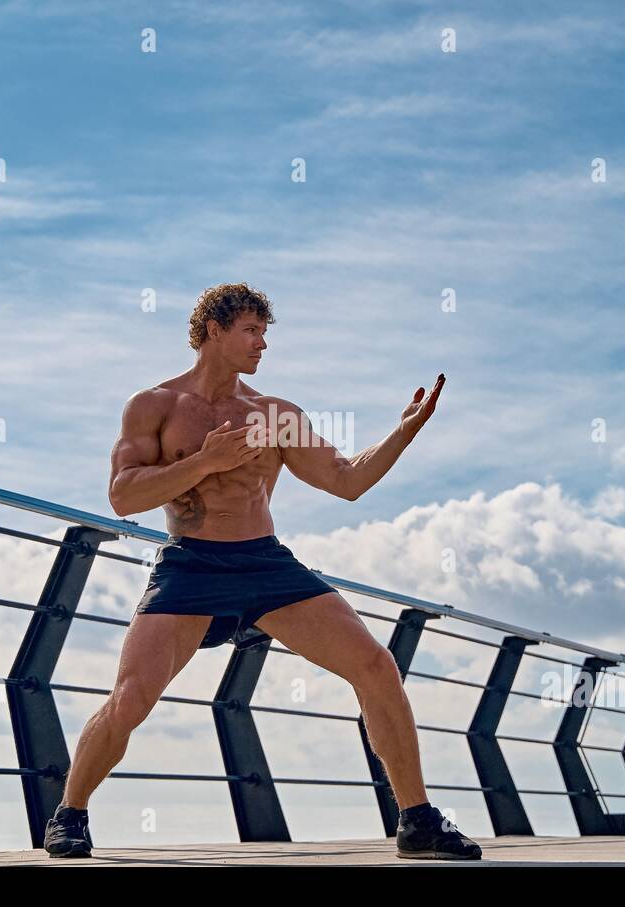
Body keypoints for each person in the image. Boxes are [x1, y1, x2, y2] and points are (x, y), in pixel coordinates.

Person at [44, 282, 481, 861]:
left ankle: (417, 819)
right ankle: (70, 814)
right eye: (251, 331)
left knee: (375, 665)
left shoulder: (276, 415)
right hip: (191, 565)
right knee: (131, 698)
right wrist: (206, 461)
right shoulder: (154, 406)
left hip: (265, 564)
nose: (262, 344)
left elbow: (346, 480)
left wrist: (403, 432)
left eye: (265, 333)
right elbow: (123, 497)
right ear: (213, 331)